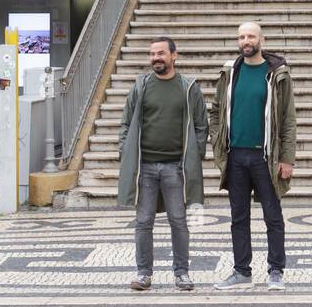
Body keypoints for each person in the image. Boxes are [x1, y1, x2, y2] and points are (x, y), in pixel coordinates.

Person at [210, 22, 296, 291]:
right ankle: (241, 271)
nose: (246, 41)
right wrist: (217, 140)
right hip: (235, 156)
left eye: (250, 36)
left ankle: (276, 270)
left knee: (273, 215)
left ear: (262, 39)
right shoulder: (230, 72)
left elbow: (288, 119)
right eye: (241, 37)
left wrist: (287, 158)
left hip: (266, 157)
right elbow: (216, 110)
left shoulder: (277, 74)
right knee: (238, 217)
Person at [118, 36, 208, 293]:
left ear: (174, 55)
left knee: (179, 221)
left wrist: (195, 154)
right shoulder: (141, 85)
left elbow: (202, 125)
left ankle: (182, 273)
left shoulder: (188, 87)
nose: (155, 58)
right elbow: (125, 123)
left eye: (160, 53)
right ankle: (144, 274)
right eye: (152, 54)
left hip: (176, 167)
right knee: (143, 221)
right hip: (144, 166)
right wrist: (124, 150)